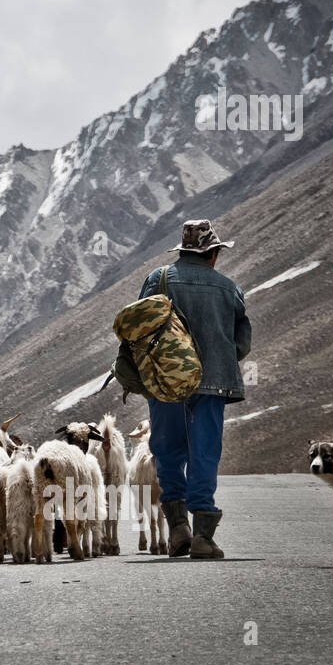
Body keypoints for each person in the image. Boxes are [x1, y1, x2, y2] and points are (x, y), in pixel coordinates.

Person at [138, 220, 252, 560]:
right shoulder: (228, 289)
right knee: (204, 453)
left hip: (165, 383)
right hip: (212, 384)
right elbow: (241, 342)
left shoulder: (157, 280)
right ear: (213, 253)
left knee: (167, 450)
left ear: (183, 250)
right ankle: (204, 536)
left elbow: (139, 328)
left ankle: (177, 530)